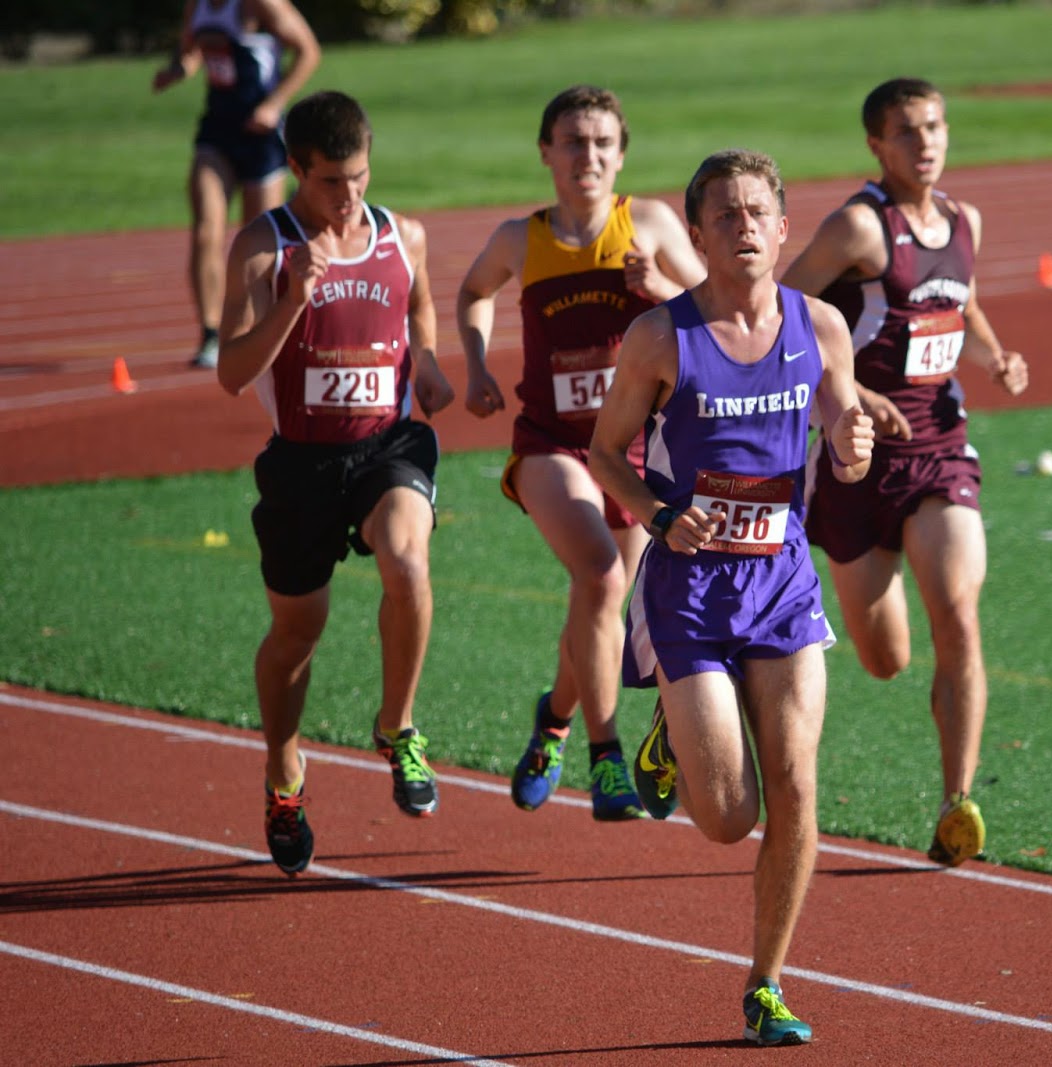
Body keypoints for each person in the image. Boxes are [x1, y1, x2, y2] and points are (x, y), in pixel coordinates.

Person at [588, 149, 873, 1045]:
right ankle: (671, 730)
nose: (745, 226)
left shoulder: (820, 325)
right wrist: (657, 512)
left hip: (782, 581)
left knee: (794, 783)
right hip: (689, 587)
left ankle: (767, 982)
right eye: (726, 215)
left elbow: (843, 425)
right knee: (727, 817)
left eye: (759, 212)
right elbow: (606, 454)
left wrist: (855, 443)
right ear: (700, 235)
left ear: (784, 229)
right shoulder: (660, 338)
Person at [780, 77, 1029, 868]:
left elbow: (961, 298)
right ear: (877, 146)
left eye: (935, 128)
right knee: (885, 659)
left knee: (957, 608)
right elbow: (780, 309)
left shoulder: (965, 220)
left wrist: (992, 352)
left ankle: (957, 803)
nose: (926, 143)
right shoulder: (858, 227)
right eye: (908, 132)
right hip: (857, 465)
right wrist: (850, 392)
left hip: (941, 447)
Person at [216, 90, 457, 877]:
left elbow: (419, 303)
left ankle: (399, 727)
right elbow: (232, 373)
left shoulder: (399, 233)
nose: (348, 196)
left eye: (358, 176)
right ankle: (284, 775)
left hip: (386, 445)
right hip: (301, 463)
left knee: (408, 562)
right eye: (330, 182)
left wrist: (427, 360)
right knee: (297, 634)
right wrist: (292, 300)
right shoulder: (263, 246)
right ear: (295, 171)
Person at [455, 85, 706, 821]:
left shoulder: (650, 223)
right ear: (546, 152)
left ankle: (553, 721)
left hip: (632, 451)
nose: (587, 156)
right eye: (572, 141)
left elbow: (718, 314)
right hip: (552, 445)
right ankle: (605, 760)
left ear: (621, 153)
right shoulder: (518, 240)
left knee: (601, 607)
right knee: (598, 579)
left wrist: (658, 285)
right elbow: (473, 291)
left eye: (601, 143)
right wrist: (473, 364)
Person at [153, 0, 320, 369]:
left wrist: (275, 103)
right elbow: (191, 51)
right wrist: (177, 70)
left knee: (258, 240)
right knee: (205, 232)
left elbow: (308, 50)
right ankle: (211, 334)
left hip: (260, 137)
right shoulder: (196, 6)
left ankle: (264, 330)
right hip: (217, 131)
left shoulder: (260, 5)